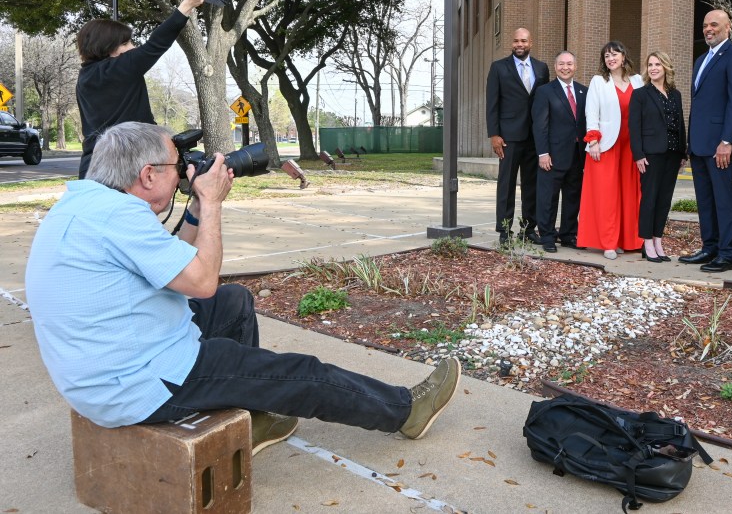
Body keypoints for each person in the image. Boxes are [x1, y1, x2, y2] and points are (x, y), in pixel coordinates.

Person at [26, 122, 460, 450]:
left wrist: (197, 210)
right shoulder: (119, 217)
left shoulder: (88, 205)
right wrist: (213, 204)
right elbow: (201, 282)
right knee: (298, 373)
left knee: (234, 301)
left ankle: (250, 416)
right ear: (147, 175)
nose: (182, 174)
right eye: (176, 166)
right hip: (139, 383)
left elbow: (174, 263)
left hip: (107, 366)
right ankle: (405, 411)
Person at [76, 0, 206, 178]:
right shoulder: (120, 68)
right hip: (123, 166)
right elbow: (156, 44)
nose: (133, 47)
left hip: (92, 166)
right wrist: (186, 5)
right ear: (107, 47)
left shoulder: (85, 76)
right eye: (126, 43)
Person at [679, 10, 732, 273]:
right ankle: (709, 247)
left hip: (721, 146)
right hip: (700, 145)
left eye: (714, 24)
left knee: (724, 200)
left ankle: (727, 253)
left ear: (728, 27)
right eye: (705, 25)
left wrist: (727, 140)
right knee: (705, 200)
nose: (708, 29)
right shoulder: (701, 60)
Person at [577, 41, 644, 260]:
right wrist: (593, 141)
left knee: (629, 194)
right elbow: (591, 112)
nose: (611, 59)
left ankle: (626, 239)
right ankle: (608, 243)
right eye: (607, 56)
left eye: (614, 54)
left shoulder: (638, 80)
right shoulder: (599, 82)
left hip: (631, 147)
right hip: (606, 146)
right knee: (607, 195)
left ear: (624, 57)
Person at [486, 27, 550, 244]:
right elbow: (492, 103)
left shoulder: (542, 68)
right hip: (508, 137)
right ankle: (504, 230)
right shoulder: (498, 68)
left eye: (523, 41)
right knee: (506, 185)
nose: (519, 44)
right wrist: (494, 134)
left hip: (534, 137)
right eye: (516, 41)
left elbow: (544, 102)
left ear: (531, 43)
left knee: (532, 185)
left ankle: (528, 229)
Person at [629, 51, 686, 262]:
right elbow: (634, 127)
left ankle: (658, 240)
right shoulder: (640, 94)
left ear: (666, 67)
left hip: (673, 154)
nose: (653, 68)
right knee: (650, 199)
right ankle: (646, 242)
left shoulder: (675, 94)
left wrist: (683, 152)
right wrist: (638, 155)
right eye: (650, 65)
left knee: (664, 200)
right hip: (650, 154)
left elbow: (680, 124)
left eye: (657, 64)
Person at [531, 51, 587, 253]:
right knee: (548, 198)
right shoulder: (545, 91)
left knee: (573, 197)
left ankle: (568, 234)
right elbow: (539, 125)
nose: (565, 67)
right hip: (552, 156)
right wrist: (543, 153)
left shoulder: (584, 91)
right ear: (555, 67)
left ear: (575, 66)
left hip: (577, 156)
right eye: (561, 64)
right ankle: (547, 236)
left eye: (569, 64)